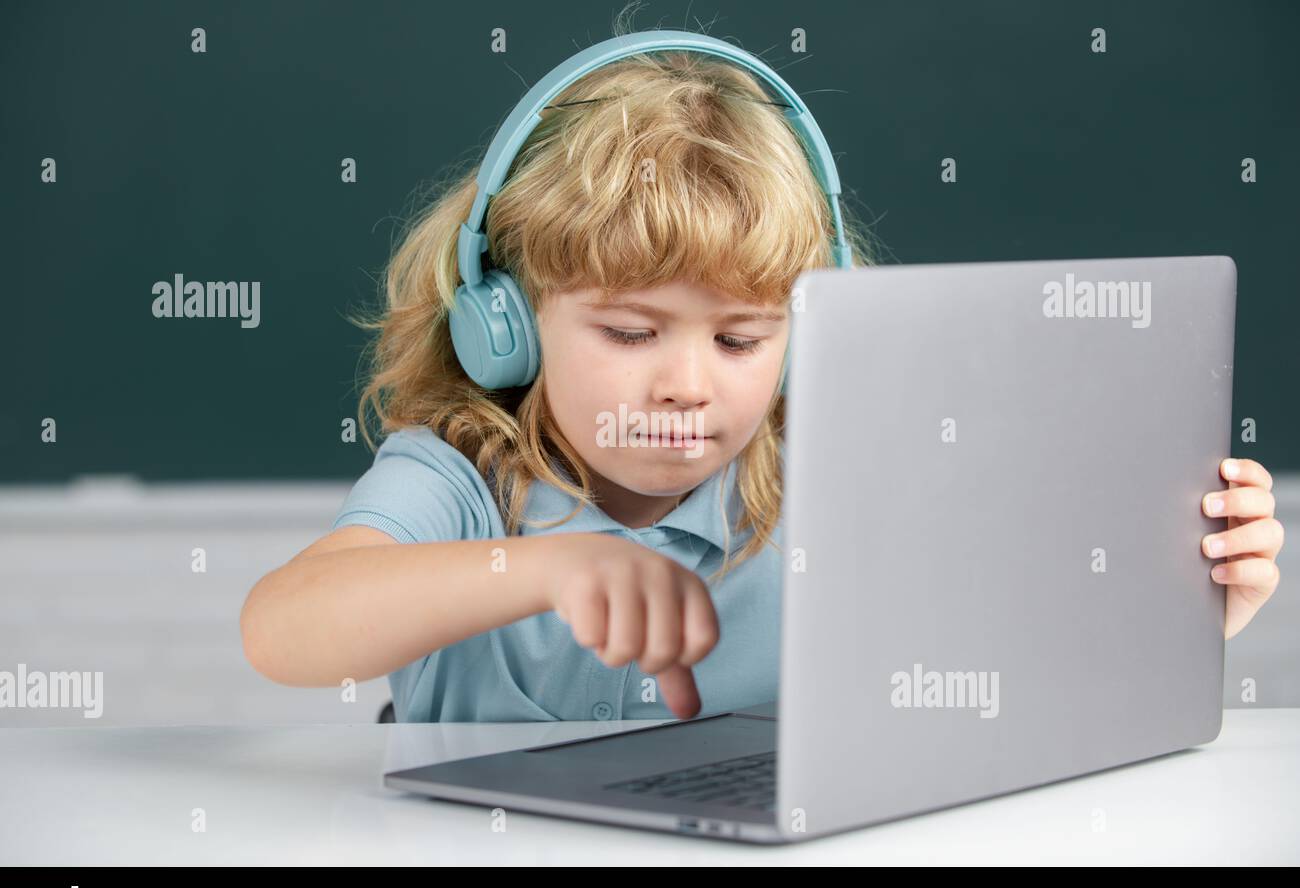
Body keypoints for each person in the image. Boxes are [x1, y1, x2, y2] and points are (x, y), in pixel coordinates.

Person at [240, 23, 1283, 723]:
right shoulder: (456, 478)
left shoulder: (824, 491)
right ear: (505, 322)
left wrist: (1185, 612)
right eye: (632, 331)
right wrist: (547, 569)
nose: (687, 383)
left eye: (740, 340)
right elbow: (285, 626)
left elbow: (998, 680)